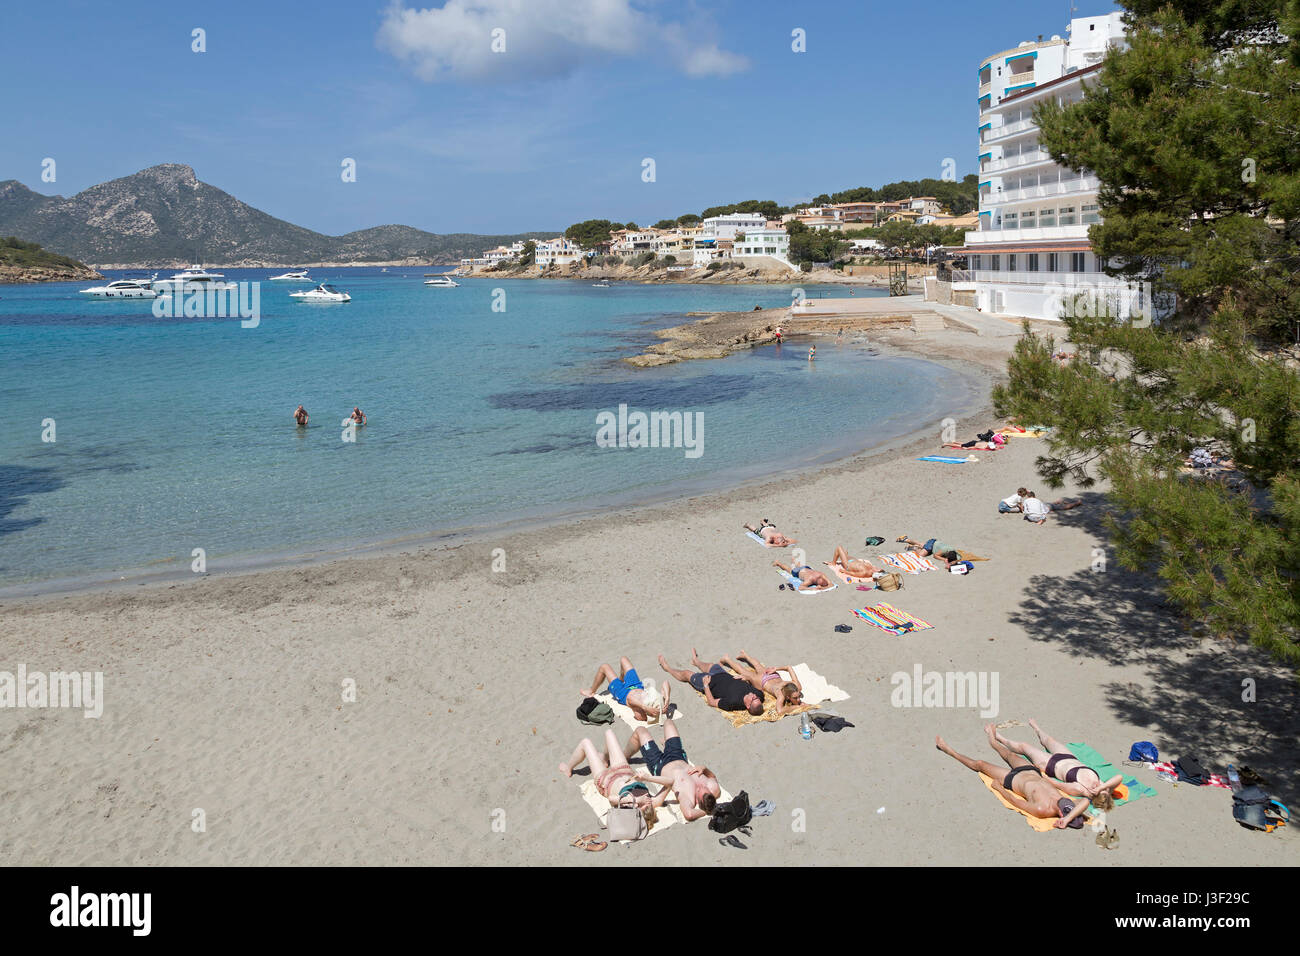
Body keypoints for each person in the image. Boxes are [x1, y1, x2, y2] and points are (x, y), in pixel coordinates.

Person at [936, 726, 1090, 829]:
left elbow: (1016, 802)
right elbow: (1085, 801)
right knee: (1008, 754)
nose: (1064, 802)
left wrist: (999, 789)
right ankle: (992, 740)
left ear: (1061, 814)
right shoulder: (1070, 805)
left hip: (1012, 780)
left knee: (980, 764)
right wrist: (1070, 818)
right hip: (1031, 771)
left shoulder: (1042, 810)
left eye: (1064, 809)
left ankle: (949, 750)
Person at [559, 727, 665, 826]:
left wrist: (636, 801)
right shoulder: (653, 802)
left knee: (585, 743)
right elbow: (670, 782)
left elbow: (611, 799)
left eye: (640, 808)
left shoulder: (630, 807)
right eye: (645, 807)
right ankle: (605, 758)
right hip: (624, 769)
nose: (641, 805)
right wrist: (648, 778)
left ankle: (568, 768)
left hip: (605, 780)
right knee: (609, 732)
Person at [991, 720, 1123, 799]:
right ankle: (1037, 728)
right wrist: (1103, 787)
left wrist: (1041, 774)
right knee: (1049, 740)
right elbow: (1119, 778)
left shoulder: (1081, 789)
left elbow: (1058, 785)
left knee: (1024, 747)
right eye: (1103, 790)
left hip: (1050, 765)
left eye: (1099, 790)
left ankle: (1000, 738)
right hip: (1070, 757)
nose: (1098, 786)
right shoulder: (1103, 786)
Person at [621, 718, 720, 822]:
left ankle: (623, 756)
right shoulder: (713, 788)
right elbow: (712, 777)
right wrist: (704, 768)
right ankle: (666, 746)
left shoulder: (688, 797)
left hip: (658, 765)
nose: (701, 787)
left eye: (699, 790)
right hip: (678, 756)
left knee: (640, 730)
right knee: (668, 722)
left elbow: (689, 814)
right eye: (704, 788)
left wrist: (706, 812)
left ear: (697, 800)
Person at [659, 651, 766, 716]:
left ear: (747, 705)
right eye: (756, 697)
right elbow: (758, 687)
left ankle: (668, 668)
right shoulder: (759, 697)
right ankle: (696, 661)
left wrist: (706, 685)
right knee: (711, 665)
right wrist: (747, 678)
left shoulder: (732, 703)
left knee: (687, 674)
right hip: (721, 674)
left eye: (753, 699)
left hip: (709, 682)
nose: (754, 695)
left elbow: (712, 702)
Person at [580, 657, 667, 722]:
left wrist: (645, 708)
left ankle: (591, 691)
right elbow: (665, 683)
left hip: (621, 693)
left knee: (604, 667)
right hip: (636, 685)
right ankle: (621, 679)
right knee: (623, 659)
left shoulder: (641, 711)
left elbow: (630, 699)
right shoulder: (658, 702)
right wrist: (667, 698)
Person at [721, 651, 804, 716]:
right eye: (796, 698)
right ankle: (727, 659)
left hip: (773, 675)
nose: (798, 700)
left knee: (757, 665)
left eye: (798, 696)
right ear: (788, 696)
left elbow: (788, 667)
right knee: (743, 671)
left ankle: (745, 655)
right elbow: (780, 711)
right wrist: (797, 706)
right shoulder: (781, 695)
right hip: (763, 681)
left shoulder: (797, 686)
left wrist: (776, 669)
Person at [896, 535, 962, 570]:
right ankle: (914, 548)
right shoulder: (944, 550)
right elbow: (935, 556)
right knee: (921, 555)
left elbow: (956, 560)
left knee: (922, 545)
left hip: (933, 546)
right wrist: (944, 560)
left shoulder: (956, 556)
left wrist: (951, 564)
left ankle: (905, 539)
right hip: (932, 544)